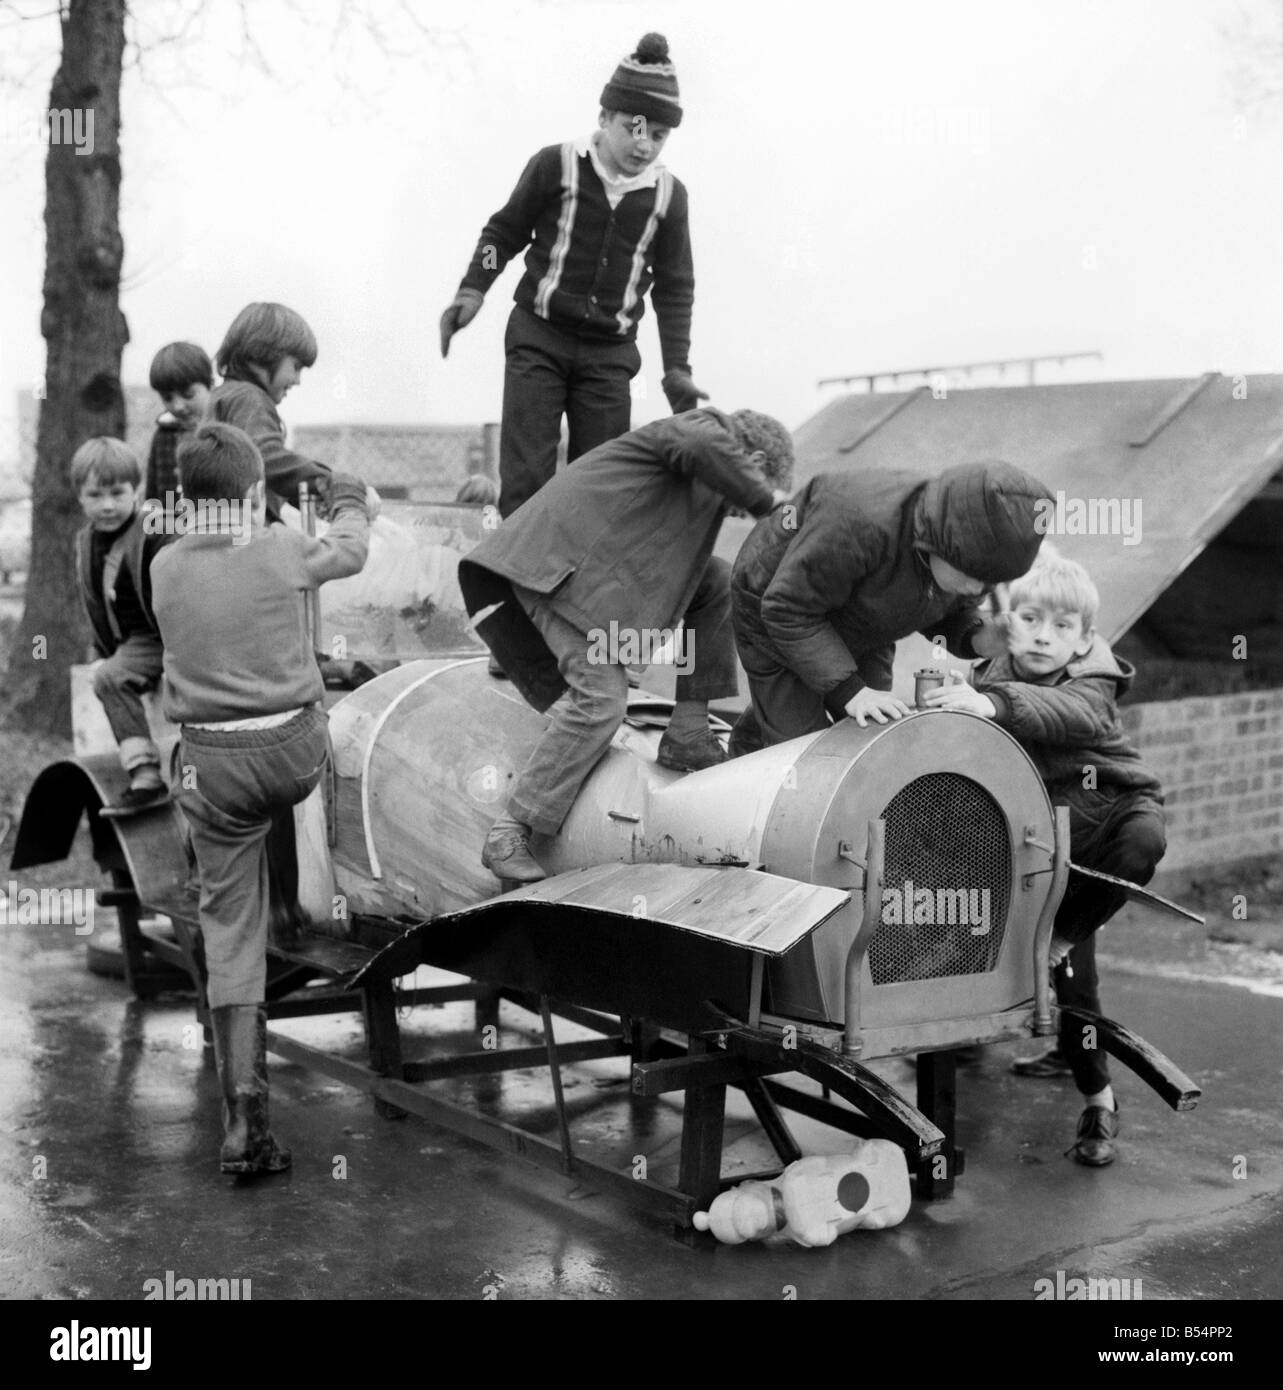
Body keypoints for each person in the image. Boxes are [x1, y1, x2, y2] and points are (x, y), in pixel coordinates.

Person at [151, 422, 373, 1176]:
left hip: (212, 764)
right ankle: (331, 901)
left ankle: (245, 1124)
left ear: (183, 498)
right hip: (294, 753)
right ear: (252, 493)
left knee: (229, 923)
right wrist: (347, 497)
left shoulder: (163, 565)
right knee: (319, 736)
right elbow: (351, 550)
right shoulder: (281, 546)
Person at [459, 408, 794, 883]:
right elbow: (699, 446)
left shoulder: (701, 484)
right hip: (557, 576)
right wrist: (769, 502)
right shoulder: (703, 430)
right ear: (753, 459)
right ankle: (512, 829)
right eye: (744, 495)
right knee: (601, 701)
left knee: (717, 579)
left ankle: (688, 733)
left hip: (590, 586)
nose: (738, 510)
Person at [926, 554, 1167, 1167]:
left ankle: (1101, 1104)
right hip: (1044, 842)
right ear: (1011, 624)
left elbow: (1069, 715)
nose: (1041, 635)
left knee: (1138, 855)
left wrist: (995, 705)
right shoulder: (984, 677)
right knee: (1063, 979)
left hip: (1112, 815)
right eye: (1029, 619)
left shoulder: (1092, 682)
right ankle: (1029, 1056)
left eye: (1060, 628)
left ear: (1084, 641)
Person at [439, 32, 706, 518]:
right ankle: (515, 593)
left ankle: (574, 594)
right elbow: (504, 233)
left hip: (608, 357)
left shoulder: (670, 198)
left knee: (597, 487)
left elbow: (675, 288)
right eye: (634, 127)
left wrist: (677, 369)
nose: (644, 145)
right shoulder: (555, 165)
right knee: (525, 483)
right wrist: (474, 288)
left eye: (659, 135)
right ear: (604, 118)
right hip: (538, 339)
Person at [729, 460, 1054, 752]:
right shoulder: (859, 521)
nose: (977, 589)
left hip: (868, 616)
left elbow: (947, 608)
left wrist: (982, 636)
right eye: (973, 576)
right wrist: (851, 693)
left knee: (871, 739)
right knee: (804, 753)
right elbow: (787, 609)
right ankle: (760, 742)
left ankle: (763, 725)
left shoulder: (961, 551)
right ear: (938, 543)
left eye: (990, 581)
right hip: (777, 603)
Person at [71, 437, 174, 814]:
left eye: (118, 492)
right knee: (106, 673)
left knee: (110, 678)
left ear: (136, 490)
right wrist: (104, 652)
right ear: (80, 497)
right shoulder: (86, 542)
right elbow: (95, 601)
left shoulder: (155, 529)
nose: (108, 504)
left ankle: (146, 774)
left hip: (165, 635)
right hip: (131, 641)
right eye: (95, 495)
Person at [208, 302, 370, 524]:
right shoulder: (249, 399)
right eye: (296, 367)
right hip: (247, 538)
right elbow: (265, 458)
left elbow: (264, 477)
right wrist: (335, 484)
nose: (298, 380)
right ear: (262, 355)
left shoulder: (224, 397)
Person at [145, 341, 214, 520]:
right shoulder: (163, 436)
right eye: (168, 398)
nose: (178, 406)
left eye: (188, 395)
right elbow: (152, 497)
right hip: (172, 537)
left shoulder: (224, 435)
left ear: (210, 385)